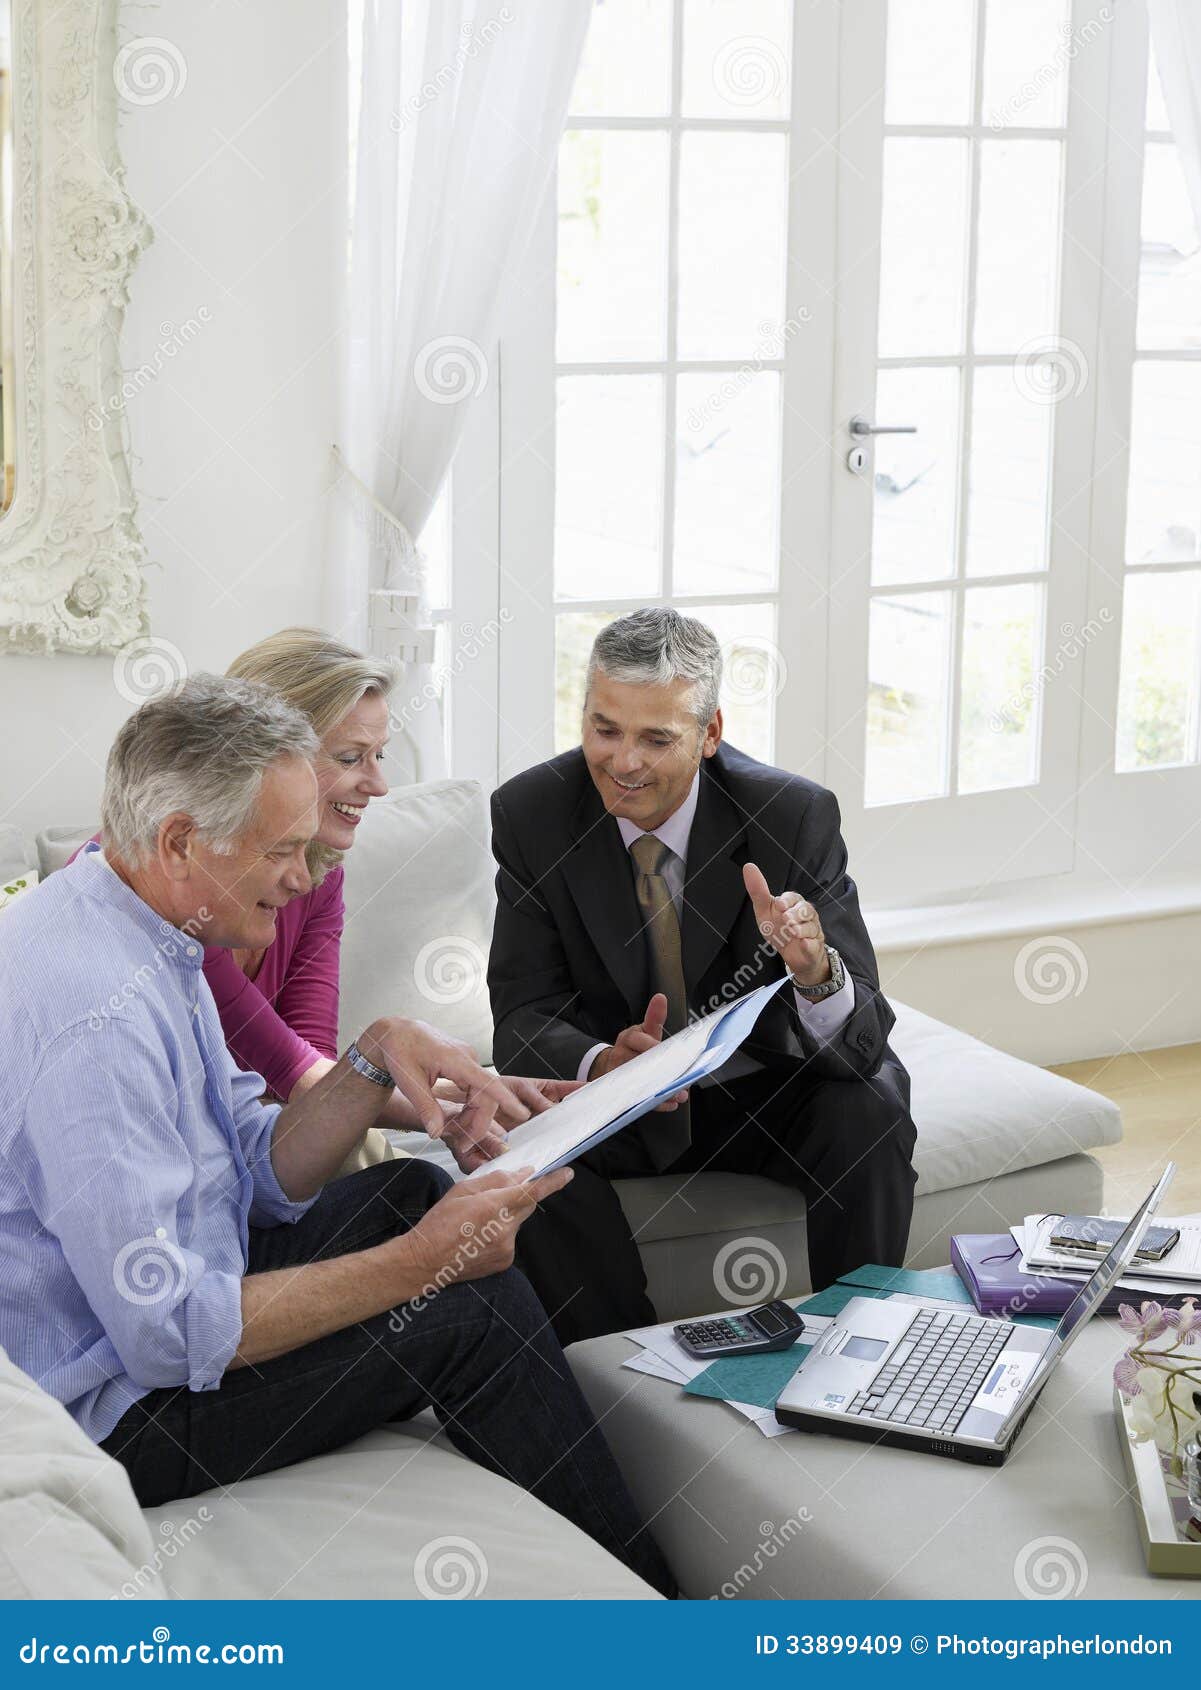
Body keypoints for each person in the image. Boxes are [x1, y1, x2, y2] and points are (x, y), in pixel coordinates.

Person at [0, 675, 673, 1596]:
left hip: (171, 1300)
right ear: (180, 842)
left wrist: (371, 1058)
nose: (302, 873)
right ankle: (670, 1620)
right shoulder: (93, 1020)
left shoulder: (139, 915)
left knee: (413, 1195)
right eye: (281, 849)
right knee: (463, 1303)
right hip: (118, 1411)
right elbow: (166, 1335)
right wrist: (415, 1268)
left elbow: (253, 1167)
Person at [75, 628, 661, 1343]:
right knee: (447, 1196)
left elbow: (312, 1057)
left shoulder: (314, 874)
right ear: (268, 758)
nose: (378, 784)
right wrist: (458, 1103)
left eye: (378, 755)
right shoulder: (170, 886)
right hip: (220, 1189)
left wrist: (482, 1093)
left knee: (522, 1179)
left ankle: (616, 1366)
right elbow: (291, 1069)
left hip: (276, 1146)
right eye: (351, 758)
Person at [488, 607, 917, 1291]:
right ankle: (615, 1386)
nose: (622, 761)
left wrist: (813, 972)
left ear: (708, 733)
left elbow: (863, 1037)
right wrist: (603, 1063)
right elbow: (521, 1015)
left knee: (869, 1106)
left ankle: (854, 1347)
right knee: (524, 1162)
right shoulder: (531, 813)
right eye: (604, 729)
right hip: (610, 1108)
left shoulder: (789, 815)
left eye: (655, 738)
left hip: (755, 1095)